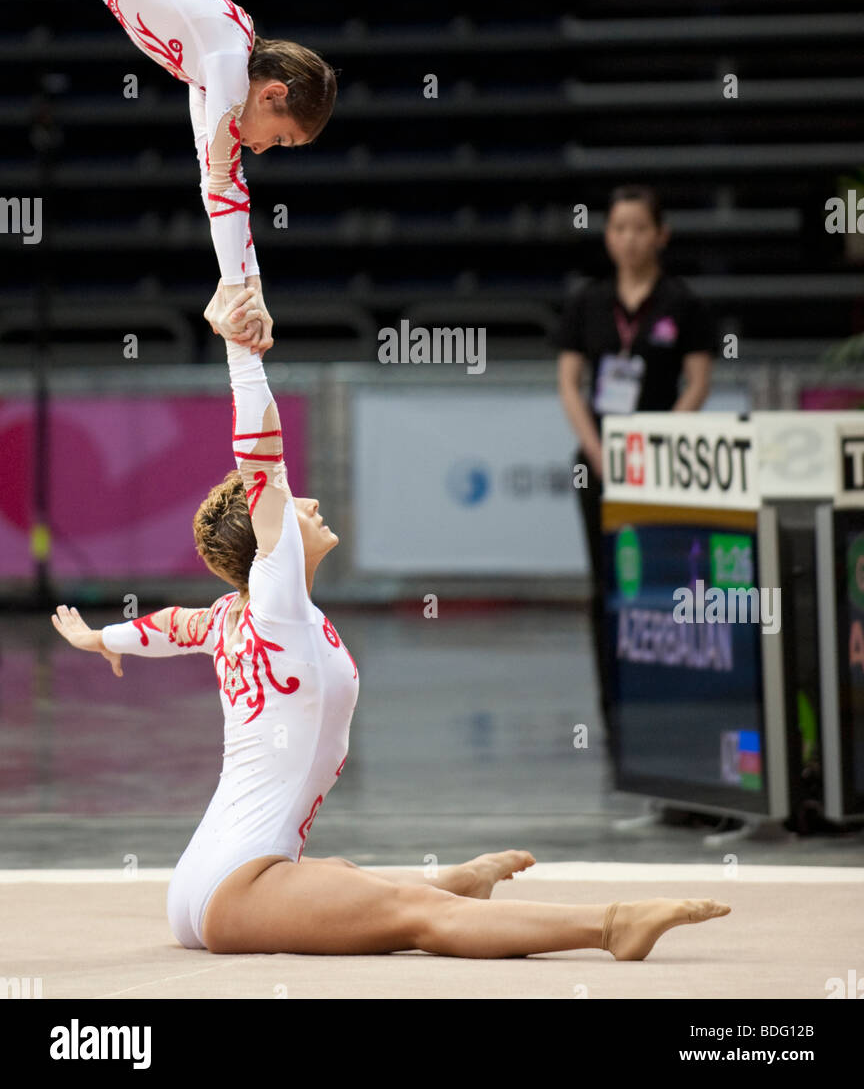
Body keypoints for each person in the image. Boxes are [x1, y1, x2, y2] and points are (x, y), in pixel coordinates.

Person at [50, 285, 729, 959]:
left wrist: (100, 638)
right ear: (269, 535)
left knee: (344, 879)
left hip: (220, 875)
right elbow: (261, 460)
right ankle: (610, 926)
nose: (307, 499)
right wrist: (241, 352)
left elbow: (170, 627)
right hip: (237, 882)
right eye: (289, 500)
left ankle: (452, 882)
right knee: (416, 919)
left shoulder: (239, 615)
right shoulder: (274, 597)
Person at [93, 0, 644, 355]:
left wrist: (238, 285)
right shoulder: (223, 61)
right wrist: (240, 284)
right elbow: (222, 179)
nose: (262, 150)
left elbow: (217, 180)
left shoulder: (214, 71)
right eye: (280, 139)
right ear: (272, 94)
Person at [556, 185, 714, 758]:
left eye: (640, 228)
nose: (629, 239)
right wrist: (598, 449)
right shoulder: (589, 303)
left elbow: (698, 382)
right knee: (607, 589)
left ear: (660, 235)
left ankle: (667, 706)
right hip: (600, 468)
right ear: (608, 236)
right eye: (619, 228)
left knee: (663, 587)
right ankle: (616, 715)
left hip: (662, 469)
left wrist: (659, 439)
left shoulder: (682, 303)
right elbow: (569, 382)